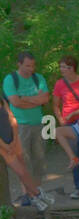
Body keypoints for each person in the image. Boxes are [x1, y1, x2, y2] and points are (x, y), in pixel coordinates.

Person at [3, 52, 51, 206]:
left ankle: (36, 191)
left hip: (38, 123)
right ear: (19, 64)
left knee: (39, 158)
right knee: (24, 159)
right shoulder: (11, 79)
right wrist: (36, 101)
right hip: (20, 125)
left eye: (33, 65)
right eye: (27, 65)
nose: (31, 69)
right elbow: (15, 102)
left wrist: (26, 99)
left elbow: (45, 98)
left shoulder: (38, 78)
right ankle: (26, 193)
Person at [0, 94, 53, 210]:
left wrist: (14, 138)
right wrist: (5, 146)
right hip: (3, 146)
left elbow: (11, 118)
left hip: (13, 138)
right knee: (20, 171)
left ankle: (33, 196)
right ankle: (38, 194)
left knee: (24, 169)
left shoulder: (2, 99)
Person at [51, 57, 79, 198]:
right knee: (74, 156)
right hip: (69, 123)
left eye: (63, 67)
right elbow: (55, 104)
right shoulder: (59, 84)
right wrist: (60, 119)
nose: (61, 69)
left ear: (72, 68)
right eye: (60, 66)